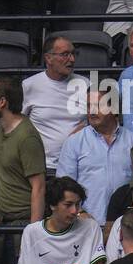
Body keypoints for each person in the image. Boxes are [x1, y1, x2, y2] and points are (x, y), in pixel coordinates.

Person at [56, 87, 133, 228]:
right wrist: (79, 212)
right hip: (83, 225)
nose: (92, 111)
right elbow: (63, 186)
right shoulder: (74, 142)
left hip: (125, 226)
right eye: (89, 106)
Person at [0, 76, 45, 230]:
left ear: (2, 102)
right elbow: (0, 169)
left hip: (22, 222)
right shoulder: (2, 129)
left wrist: (33, 235)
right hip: (1, 220)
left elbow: (39, 188)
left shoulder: (27, 137)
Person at [21, 36, 89, 172]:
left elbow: (99, 123)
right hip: (41, 168)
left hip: (78, 165)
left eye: (73, 54)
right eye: (65, 54)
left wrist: (86, 126)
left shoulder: (86, 84)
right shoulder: (29, 86)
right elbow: (18, 125)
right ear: (48, 58)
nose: (72, 59)